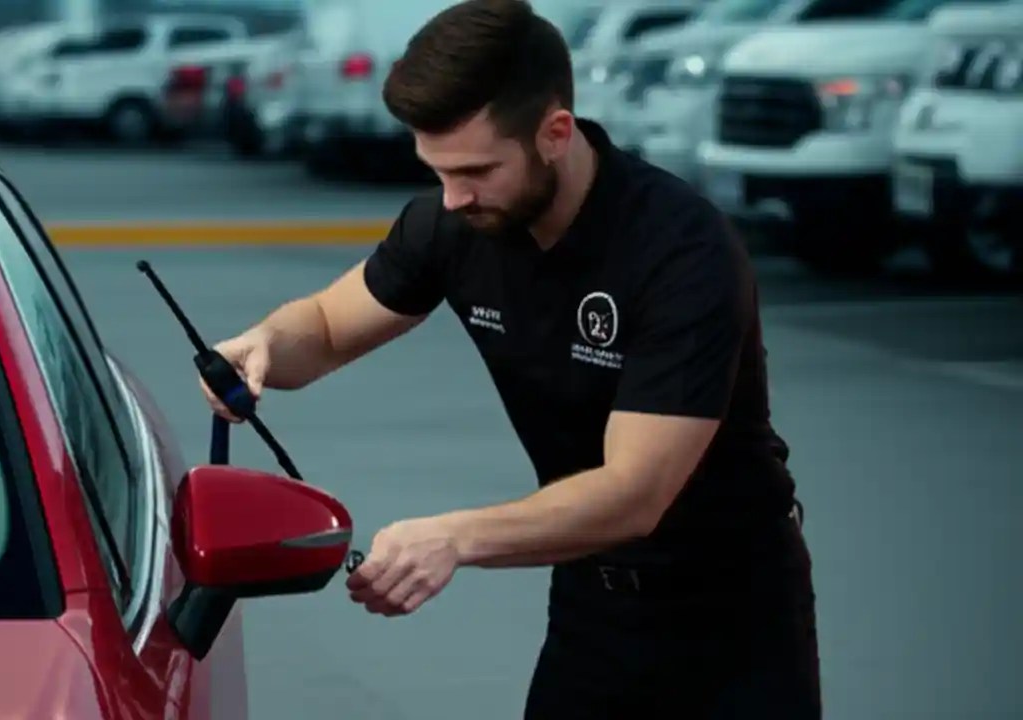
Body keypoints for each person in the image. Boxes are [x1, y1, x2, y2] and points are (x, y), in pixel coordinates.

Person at [199, 0, 820, 716]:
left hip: (733, 619)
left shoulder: (681, 250)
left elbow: (636, 493)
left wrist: (454, 537)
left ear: (555, 133)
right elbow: (330, 328)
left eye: (476, 171)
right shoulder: (453, 220)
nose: (453, 197)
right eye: (435, 170)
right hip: (593, 604)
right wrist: (266, 348)